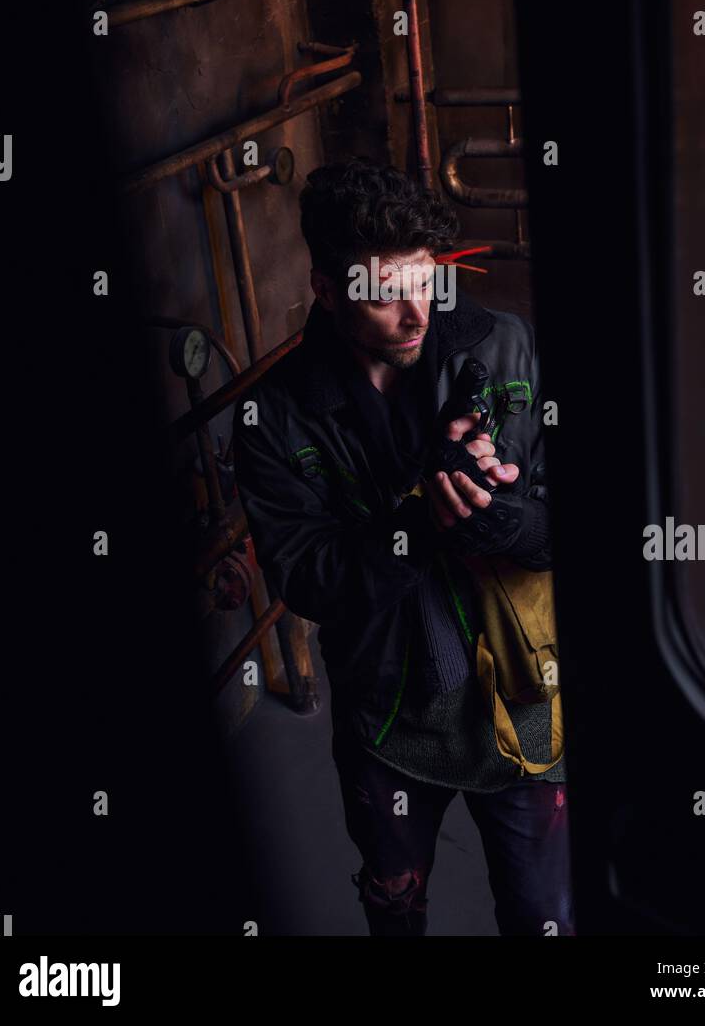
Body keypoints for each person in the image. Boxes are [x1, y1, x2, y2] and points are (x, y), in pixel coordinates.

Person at [234, 158, 573, 936]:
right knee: (395, 910)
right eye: (383, 295)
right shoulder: (276, 418)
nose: (414, 314)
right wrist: (422, 520)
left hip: (522, 708)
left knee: (544, 916)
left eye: (424, 283)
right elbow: (307, 579)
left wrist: (508, 522)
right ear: (324, 289)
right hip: (388, 723)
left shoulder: (509, 350)